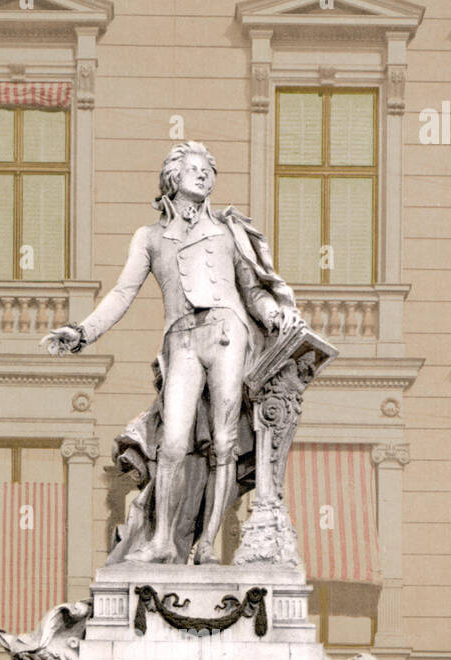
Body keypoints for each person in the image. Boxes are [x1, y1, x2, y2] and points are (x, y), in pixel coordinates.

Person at [43, 141, 303, 565]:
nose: (204, 175)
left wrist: (277, 316)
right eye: (194, 169)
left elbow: (253, 290)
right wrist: (82, 332)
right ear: (173, 178)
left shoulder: (227, 230)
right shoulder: (149, 237)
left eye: (208, 170)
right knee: (174, 441)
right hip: (180, 338)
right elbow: (123, 292)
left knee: (224, 440)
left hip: (227, 332)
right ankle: (162, 540)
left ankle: (206, 546)